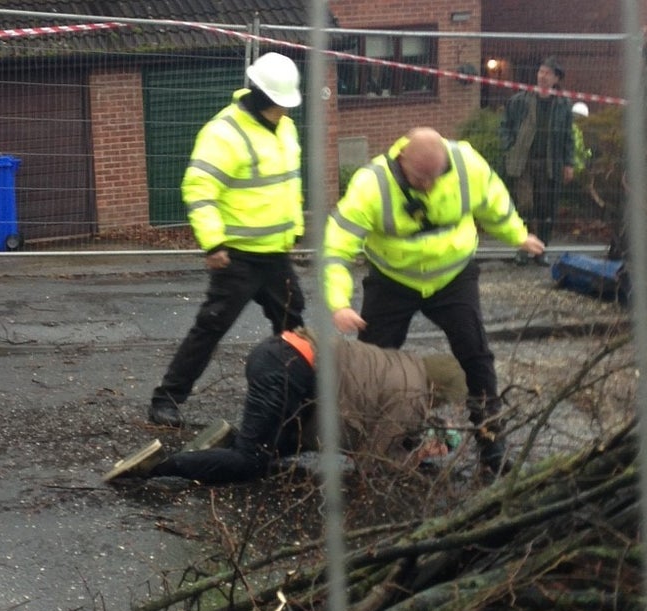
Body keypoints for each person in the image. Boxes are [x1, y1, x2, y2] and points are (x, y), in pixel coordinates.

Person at [323, 127, 544, 474]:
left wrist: (518, 236)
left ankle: (491, 447)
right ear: (402, 161)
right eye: (419, 178)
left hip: (453, 276)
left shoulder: (467, 164)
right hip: (393, 280)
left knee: (476, 356)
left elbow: (495, 204)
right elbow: (337, 246)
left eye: (435, 177)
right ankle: (371, 447)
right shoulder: (372, 184)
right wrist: (339, 302)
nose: (427, 186)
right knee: (371, 365)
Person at [147, 52, 308, 427]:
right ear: (270, 99)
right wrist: (213, 242)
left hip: (275, 254)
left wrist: (294, 227)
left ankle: (294, 397)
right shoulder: (223, 133)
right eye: (284, 103)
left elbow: (288, 183)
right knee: (212, 326)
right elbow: (199, 188)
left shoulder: (285, 128)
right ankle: (165, 399)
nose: (287, 110)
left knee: (293, 326)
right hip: (236, 257)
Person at [116, 329, 468, 484]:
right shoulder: (410, 395)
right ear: (439, 392)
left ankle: (235, 438)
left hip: (281, 355)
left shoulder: (403, 365)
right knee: (251, 463)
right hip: (289, 368)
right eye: (446, 402)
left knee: (275, 449)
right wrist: (420, 456)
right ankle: (156, 470)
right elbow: (376, 464)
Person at [499, 56, 575, 267]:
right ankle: (523, 248)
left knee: (545, 208)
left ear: (556, 78)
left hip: (550, 163)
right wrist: (509, 147)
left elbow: (569, 136)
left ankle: (541, 249)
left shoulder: (563, 105)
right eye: (540, 72)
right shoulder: (520, 100)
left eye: (547, 73)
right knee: (525, 205)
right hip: (523, 162)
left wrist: (569, 163)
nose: (542, 76)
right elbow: (504, 125)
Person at [571, 101, 592, 174]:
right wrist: (589, 153)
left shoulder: (572, 127)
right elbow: (579, 148)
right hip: (576, 167)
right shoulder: (577, 130)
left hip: (572, 166)